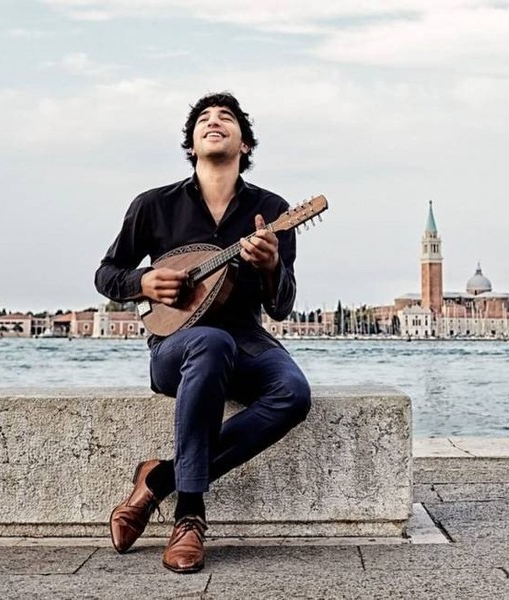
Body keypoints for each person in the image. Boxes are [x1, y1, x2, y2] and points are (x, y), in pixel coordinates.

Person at [94, 92, 311, 573]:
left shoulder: (271, 212)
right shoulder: (154, 205)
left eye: (226, 118)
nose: (214, 123)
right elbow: (107, 273)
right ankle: (189, 513)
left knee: (293, 394)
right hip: (175, 344)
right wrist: (143, 281)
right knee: (208, 343)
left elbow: (281, 306)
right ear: (191, 144)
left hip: (247, 339)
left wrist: (272, 264)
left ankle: (158, 481)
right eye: (204, 120)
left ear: (245, 145)